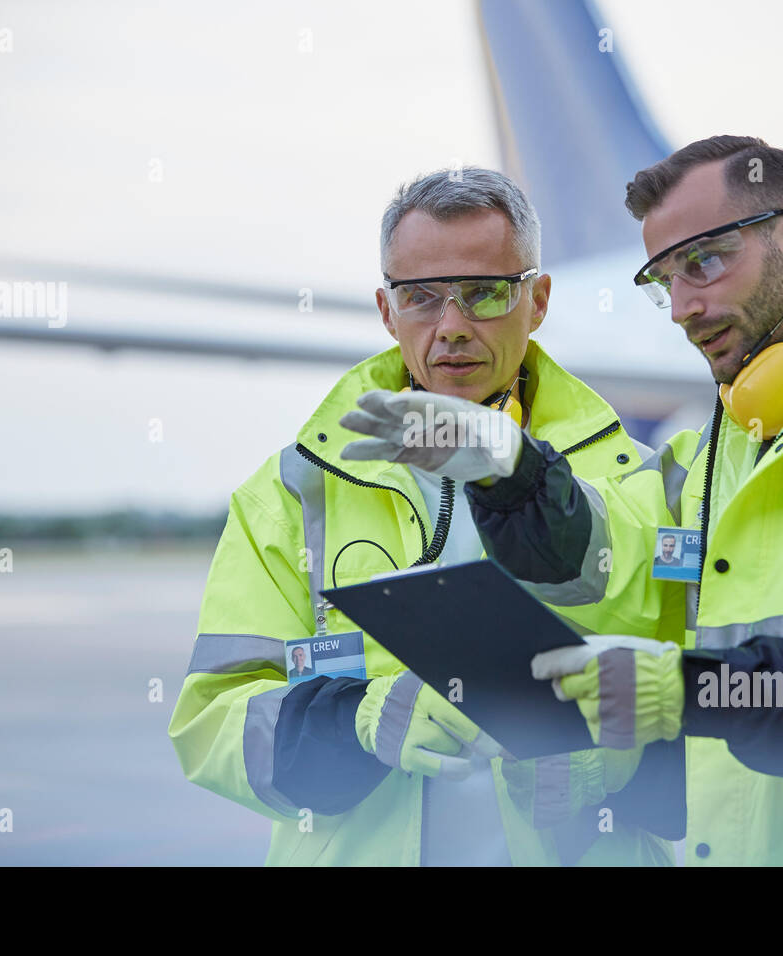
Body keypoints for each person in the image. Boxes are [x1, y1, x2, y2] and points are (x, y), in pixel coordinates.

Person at [340, 137, 783, 866]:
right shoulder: (725, 451)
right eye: (664, 279)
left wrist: (693, 691)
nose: (682, 308)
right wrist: (510, 468)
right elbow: (611, 560)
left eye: (706, 261)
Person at [168, 167, 679, 866]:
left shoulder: (637, 483)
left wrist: (614, 766)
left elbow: (712, 703)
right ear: (385, 309)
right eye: (422, 298)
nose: (453, 328)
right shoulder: (294, 491)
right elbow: (210, 725)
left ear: (538, 300)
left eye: (485, 294)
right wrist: (356, 726)